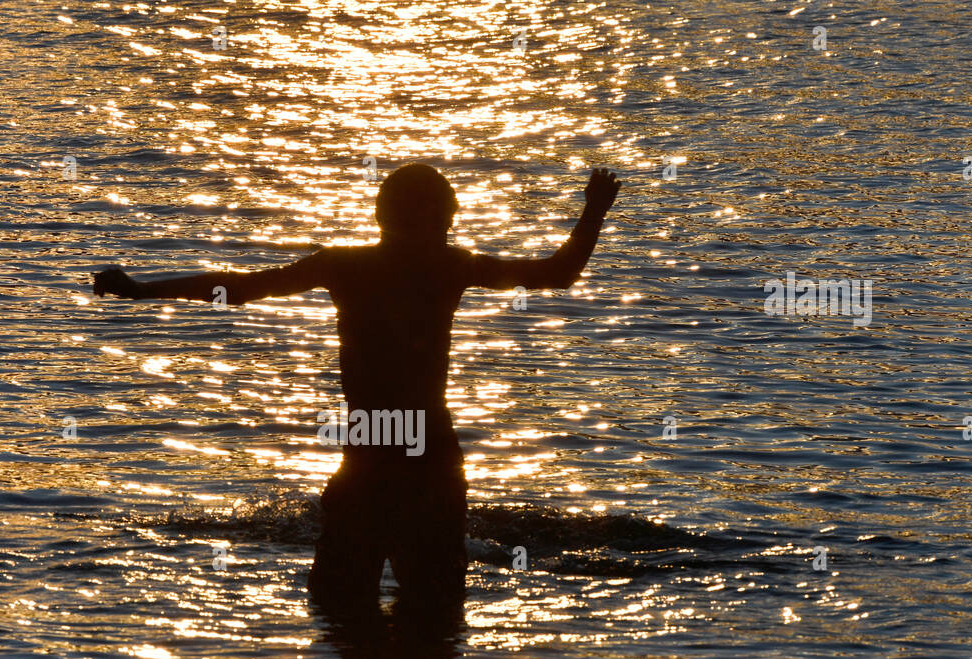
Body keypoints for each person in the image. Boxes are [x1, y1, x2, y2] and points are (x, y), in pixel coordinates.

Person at [93, 164, 620, 613]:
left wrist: (145, 291)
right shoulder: (448, 264)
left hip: (374, 447)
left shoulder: (348, 265)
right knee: (432, 612)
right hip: (428, 451)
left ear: (379, 215)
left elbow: (242, 288)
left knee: (339, 605)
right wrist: (593, 211)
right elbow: (559, 272)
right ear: (445, 218)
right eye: (445, 213)